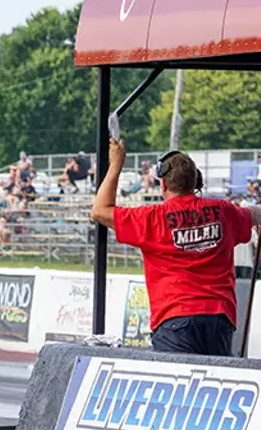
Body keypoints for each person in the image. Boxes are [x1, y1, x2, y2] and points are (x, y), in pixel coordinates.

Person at [92, 139, 261, 357]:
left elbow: (99, 210)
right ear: (196, 181)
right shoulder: (225, 211)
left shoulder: (152, 218)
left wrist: (116, 164)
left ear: (163, 185)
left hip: (175, 317)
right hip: (219, 317)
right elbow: (255, 213)